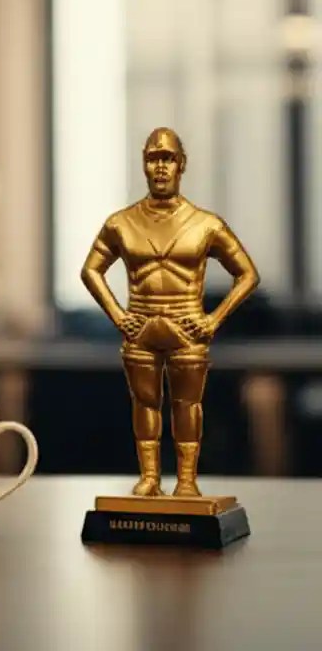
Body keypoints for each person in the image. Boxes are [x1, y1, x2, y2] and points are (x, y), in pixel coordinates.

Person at [80, 127, 259, 497]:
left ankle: (187, 481)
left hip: (187, 326)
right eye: (153, 159)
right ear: (143, 165)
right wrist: (117, 315)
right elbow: (91, 270)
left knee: (187, 405)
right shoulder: (121, 223)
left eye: (168, 159)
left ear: (182, 165)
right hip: (140, 325)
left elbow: (248, 275)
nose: (160, 167)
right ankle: (149, 478)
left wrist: (213, 318)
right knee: (145, 403)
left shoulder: (206, 224)